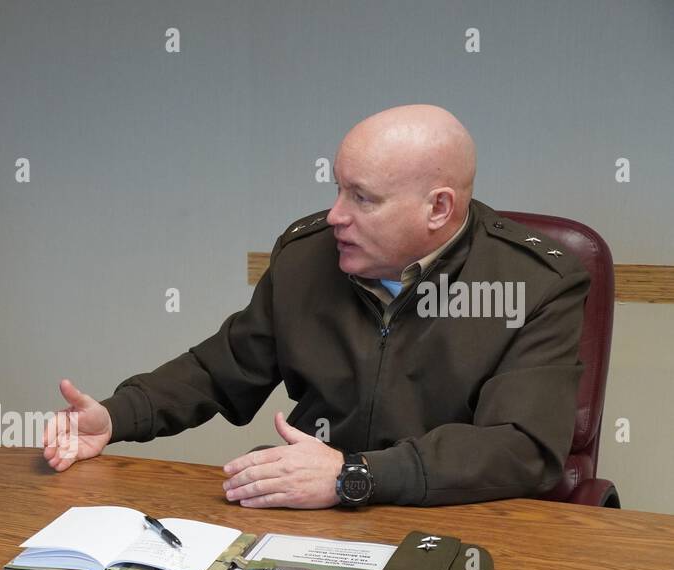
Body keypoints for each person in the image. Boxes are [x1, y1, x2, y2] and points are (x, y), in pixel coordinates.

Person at [42, 104, 588, 508]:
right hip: (312, 523)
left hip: (460, 528)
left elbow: (520, 449)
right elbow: (220, 369)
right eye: (338, 190)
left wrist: (355, 474)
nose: (334, 216)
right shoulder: (309, 258)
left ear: (438, 208)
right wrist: (114, 417)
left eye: (363, 198)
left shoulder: (535, 283)